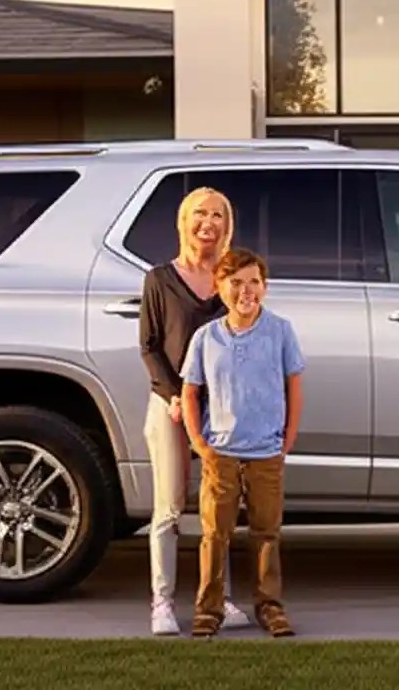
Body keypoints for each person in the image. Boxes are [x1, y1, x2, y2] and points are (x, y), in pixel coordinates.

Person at [139, 186, 249, 636]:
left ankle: (219, 598)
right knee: (169, 507)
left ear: (228, 225)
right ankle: (162, 603)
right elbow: (149, 346)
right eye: (200, 214)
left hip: (219, 409)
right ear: (184, 222)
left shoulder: (234, 278)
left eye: (218, 215)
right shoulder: (160, 279)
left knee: (218, 508)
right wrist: (173, 396)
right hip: (169, 406)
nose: (208, 223)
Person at [180, 248, 305, 639]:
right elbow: (190, 391)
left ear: (264, 287)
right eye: (236, 283)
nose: (246, 291)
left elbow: (294, 386)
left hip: (266, 452)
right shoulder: (206, 338)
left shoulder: (280, 332)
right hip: (221, 452)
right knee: (215, 534)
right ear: (219, 287)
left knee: (266, 533)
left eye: (254, 282)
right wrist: (200, 443)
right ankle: (209, 609)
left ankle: (270, 606)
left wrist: (286, 440)